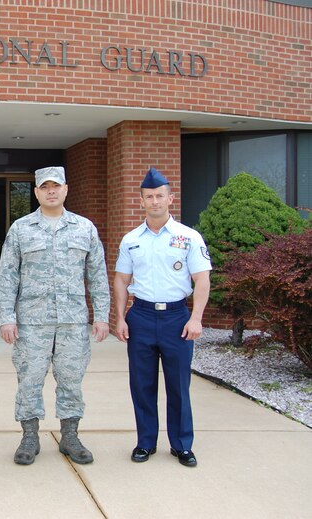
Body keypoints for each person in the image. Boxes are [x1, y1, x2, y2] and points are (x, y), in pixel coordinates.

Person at [0, 166, 110, 466]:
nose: (51, 191)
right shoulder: (21, 229)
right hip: (32, 322)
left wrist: (102, 316)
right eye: (44, 187)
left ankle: (70, 436)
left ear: (66, 189)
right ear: (36, 193)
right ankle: (29, 437)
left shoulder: (85, 228)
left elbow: (97, 275)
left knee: (71, 379)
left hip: (72, 321)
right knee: (29, 380)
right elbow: (7, 276)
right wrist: (6, 316)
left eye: (55, 186)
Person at [113, 167, 211, 468]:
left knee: (178, 385)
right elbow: (120, 279)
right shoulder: (131, 240)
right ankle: (146, 442)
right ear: (141, 201)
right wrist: (120, 317)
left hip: (177, 317)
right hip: (141, 315)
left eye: (159, 196)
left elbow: (202, 279)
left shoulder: (188, 237)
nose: (154, 201)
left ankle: (182, 445)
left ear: (170, 198)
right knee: (141, 384)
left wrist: (196, 318)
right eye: (148, 197)